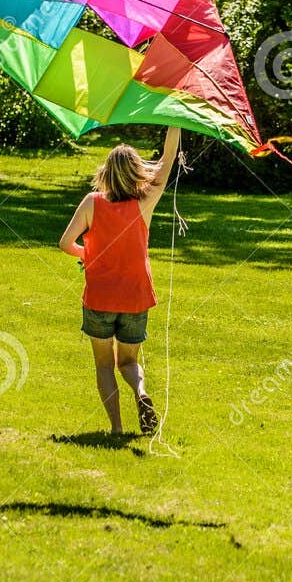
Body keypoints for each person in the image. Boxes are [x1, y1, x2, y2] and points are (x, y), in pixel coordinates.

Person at [59, 128, 182, 436]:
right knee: (128, 361)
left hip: (100, 297)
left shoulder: (92, 202)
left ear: (107, 173)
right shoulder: (146, 201)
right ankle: (140, 392)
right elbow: (167, 160)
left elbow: (65, 243)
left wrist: (88, 255)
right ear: (136, 172)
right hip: (136, 296)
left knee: (104, 365)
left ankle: (116, 428)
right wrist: (174, 121)